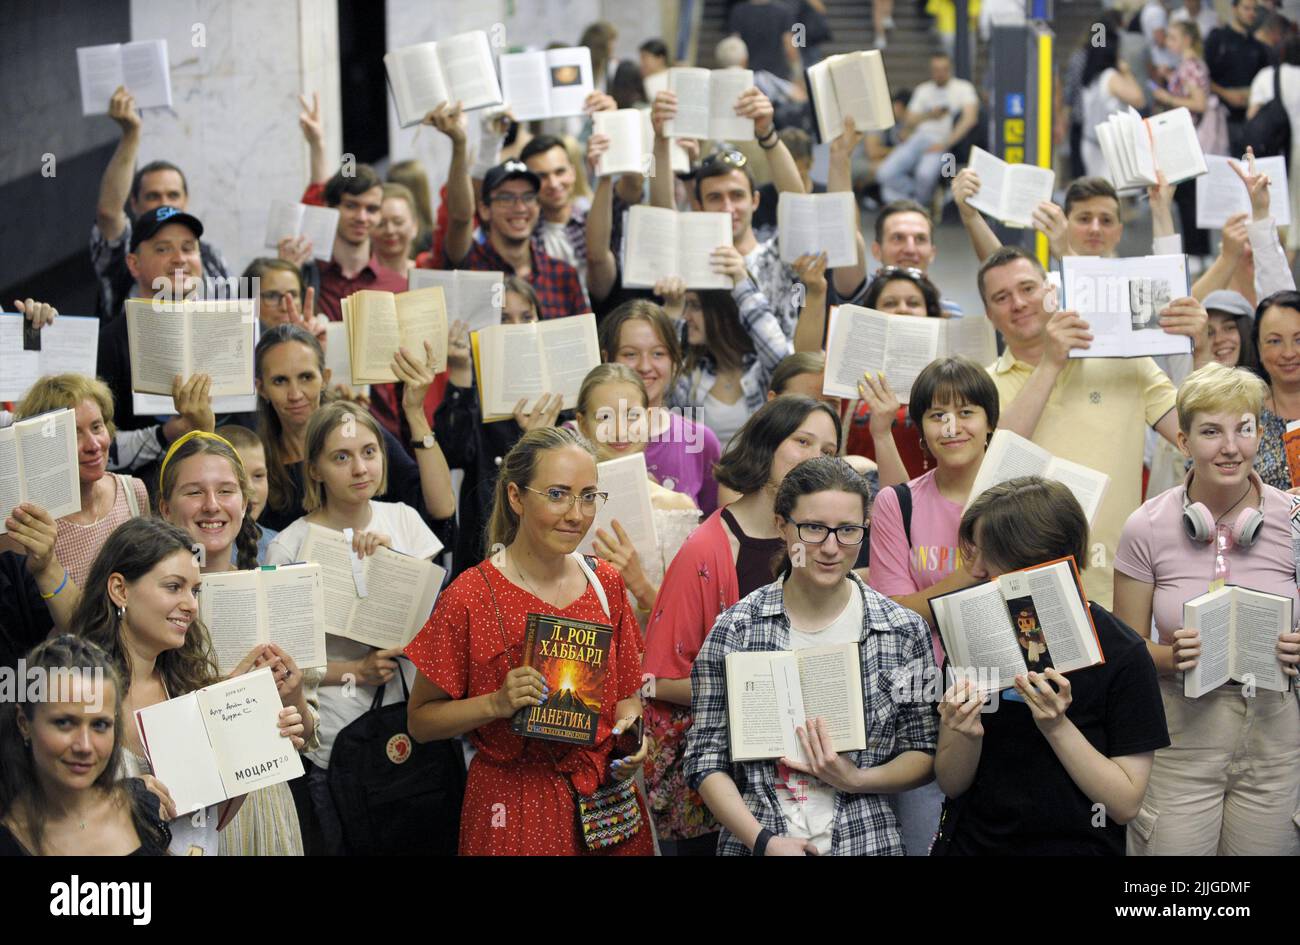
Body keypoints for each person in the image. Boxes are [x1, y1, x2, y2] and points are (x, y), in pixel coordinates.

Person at [404, 426, 654, 855]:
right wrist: (495, 705)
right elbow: (420, 722)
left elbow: (628, 696)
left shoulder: (605, 583)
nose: (576, 513)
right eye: (557, 494)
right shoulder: (471, 595)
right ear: (516, 497)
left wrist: (632, 733)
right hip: (513, 804)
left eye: (589, 495)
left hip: (603, 803)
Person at [683, 456, 937, 856]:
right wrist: (763, 841)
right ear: (782, 526)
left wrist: (856, 778)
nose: (831, 548)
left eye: (848, 531)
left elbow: (924, 749)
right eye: (814, 528)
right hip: (758, 838)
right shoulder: (737, 629)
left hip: (865, 841)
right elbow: (704, 758)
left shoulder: (901, 630)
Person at [642, 395, 842, 854]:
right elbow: (657, 678)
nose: (815, 458)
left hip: (810, 775)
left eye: (828, 451)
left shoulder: (824, 543)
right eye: (802, 441)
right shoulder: (707, 549)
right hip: (723, 785)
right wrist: (769, 686)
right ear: (767, 446)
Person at [1113, 363, 1300, 855]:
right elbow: (1127, 651)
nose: (1231, 447)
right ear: (1183, 440)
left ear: (1261, 433)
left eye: (1244, 428)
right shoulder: (1146, 526)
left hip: (1276, 735)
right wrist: (1171, 658)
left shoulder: (1296, 522)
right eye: (1212, 431)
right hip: (1180, 733)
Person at [933, 477, 1169, 855]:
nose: (976, 571)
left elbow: (1125, 803)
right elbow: (951, 782)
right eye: (973, 553)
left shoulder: (1123, 652)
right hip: (975, 844)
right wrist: (964, 733)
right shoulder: (974, 632)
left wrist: (1057, 726)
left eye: (989, 556)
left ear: (1037, 562)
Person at [977, 246, 1207, 608]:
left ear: (1051, 291)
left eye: (1027, 289)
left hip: (1124, 580)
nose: (1018, 303)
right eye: (1002, 298)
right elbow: (998, 461)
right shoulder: (983, 385)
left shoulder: (1126, 360)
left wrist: (1202, 348)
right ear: (989, 314)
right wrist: (1051, 363)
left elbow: (1196, 437)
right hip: (1027, 582)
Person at [264, 401, 443, 855]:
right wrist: (354, 670)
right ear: (316, 470)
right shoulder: (289, 546)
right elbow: (281, 663)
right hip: (332, 735)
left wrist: (390, 567)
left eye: (369, 451)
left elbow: (435, 631)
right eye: (341, 457)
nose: (360, 468)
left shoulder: (404, 521)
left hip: (408, 722)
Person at [74, 517, 303, 855]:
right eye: (173, 587)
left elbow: (212, 821)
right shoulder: (75, 690)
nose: (191, 605)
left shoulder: (187, 686)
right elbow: (46, 816)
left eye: (194, 590)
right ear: (120, 590)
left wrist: (249, 733)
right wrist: (127, 797)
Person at [156, 430, 315, 856]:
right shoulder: (151, 603)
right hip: (189, 814)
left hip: (267, 808)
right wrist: (225, 700)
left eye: (225, 491)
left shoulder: (278, 591)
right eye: (194, 492)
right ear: (166, 508)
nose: (212, 505)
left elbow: (307, 731)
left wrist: (295, 696)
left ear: (244, 504)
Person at [866, 356, 992, 854]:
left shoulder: (1022, 497)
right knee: (925, 841)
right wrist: (971, 573)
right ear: (920, 430)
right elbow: (895, 612)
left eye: (967, 412)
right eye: (938, 416)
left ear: (990, 424)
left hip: (1015, 693)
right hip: (926, 699)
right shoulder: (898, 503)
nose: (953, 427)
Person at [252, 325, 455, 537]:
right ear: (262, 388)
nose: (295, 394)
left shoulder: (358, 434)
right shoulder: (257, 459)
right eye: (280, 381)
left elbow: (442, 508)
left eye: (306, 377)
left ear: (325, 378)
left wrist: (415, 411)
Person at [0, 635, 171, 855]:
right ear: (24, 723)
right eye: (64, 723)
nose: (85, 746)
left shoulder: (140, 809)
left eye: (100, 725)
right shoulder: (10, 843)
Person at [437, 278, 562, 577]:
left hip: (547, 554)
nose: (517, 327)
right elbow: (450, 450)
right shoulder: (475, 392)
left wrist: (538, 440)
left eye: (526, 317)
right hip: (482, 549)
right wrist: (461, 372)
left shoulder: (561, 397)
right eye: (504, 319)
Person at [429, 97, 588, 320]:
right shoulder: (470, 264)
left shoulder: (563, 274)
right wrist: (459, 144)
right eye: (506, 198)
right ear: (484, 209)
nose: (520, 207)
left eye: (528, 197)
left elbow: (583, 348)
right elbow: (460, 217)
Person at [91, 86, 230, 321]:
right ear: (133, 203)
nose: (164, 203)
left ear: (186, 200)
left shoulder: (209, 256)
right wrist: (132, 134)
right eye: (153, 196)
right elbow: (108, 213)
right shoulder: (126, 248)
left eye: (173, 195)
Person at [574, 364, 700, 613]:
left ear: (649, 419)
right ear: (582, 424)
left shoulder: (675, 507)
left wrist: (639, 583)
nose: (620, 430)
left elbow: (686, 619)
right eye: (605, 417)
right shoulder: (561, 503)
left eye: (632, 416)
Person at [6, 375, 149, 588]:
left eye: (97, 427)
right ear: (41, 444)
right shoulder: (30, 523)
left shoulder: (133, 492)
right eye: (74, 433)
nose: (93, 445)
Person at [94, 205, 223, 443]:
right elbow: (96, 441)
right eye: (163, 249)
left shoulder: (229, 331)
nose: (180, 259)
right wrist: (165, 435)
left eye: (188, 248)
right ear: (133, 264)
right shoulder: (108, 344)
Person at [600, 300, 722, 514]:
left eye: (658, 354)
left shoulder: (701, 441)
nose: (645, 366)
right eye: (630, 354)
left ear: (675, 361)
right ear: (607, 359)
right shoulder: (576, 437)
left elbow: (711, 527)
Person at [842, 268, 947, 482]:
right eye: (890, 303)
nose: (902, 309)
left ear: (930, 312)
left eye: (913, 303)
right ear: (873, 314)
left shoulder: (949, 377)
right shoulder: (848, 372)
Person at [669, 272, 794, 449]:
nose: (686, 316)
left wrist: (740, 279)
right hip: (703, 477)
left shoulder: (762, 371)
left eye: (695, 306)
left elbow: (782, 359)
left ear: (724, 313)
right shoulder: (692, 375)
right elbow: (663, 391)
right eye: (685, 306)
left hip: (758, 476)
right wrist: (671, 313)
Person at [521, 124, 637, 298]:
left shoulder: (595, 219)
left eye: (560, 172)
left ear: (573, 173)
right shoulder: (522, 234)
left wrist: (613, 122)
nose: (553, 183)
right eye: (542, 177)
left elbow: (634, 186)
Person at [875, 54, 979, 211]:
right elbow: (909, 120)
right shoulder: (923, 90)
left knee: (924, 176)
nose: (940, 73)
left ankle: (918, 206)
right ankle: (916, 200)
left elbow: (970, 118)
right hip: (918, 139)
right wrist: (930, 114)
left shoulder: (963, 88)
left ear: (950, 69)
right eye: (936, 70)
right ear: (931, 71)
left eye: (944, 69)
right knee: (884, 173)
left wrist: (945, 143)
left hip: (942, 142)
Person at [1154, 19, 1216, 259]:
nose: (1168, 43)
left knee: (1188, 201)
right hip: (1188, 139)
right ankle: (1198, 252)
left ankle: (1197, 253)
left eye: (1172, 38)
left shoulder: (1190, 67)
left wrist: (1167, 98)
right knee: (1190, 200)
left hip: (1187, 140)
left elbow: (1198, 103)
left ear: (1186, 40)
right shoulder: (1191, 65)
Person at [1247, 34, 1300, 258]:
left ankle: (1280, 284)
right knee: (1296, 217)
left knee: (1275, 214)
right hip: (1297, 152)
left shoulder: (1266, 76)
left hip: (1273, 154)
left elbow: (1252, 116)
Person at [1206, 0, 1275, 156]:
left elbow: (1264, 80)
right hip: (1222, 116)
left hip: (1251, 117)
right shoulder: (1217, 38)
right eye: (1246, 8)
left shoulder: (1258, 46)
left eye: (1254, 9)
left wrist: (1251, 95)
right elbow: (1204, 77)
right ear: (1235, 8)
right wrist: (1225, 93)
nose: (1251, 13)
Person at [871, 201, 964, 315]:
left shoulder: (951, 314)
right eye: (898, 238)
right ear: (877, 251)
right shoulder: (856, 305)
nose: (910, 249)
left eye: (920, 239)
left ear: (932, 253)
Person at [1078, 34, 1148, 180]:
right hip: (1107, 147)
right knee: (1109, 192)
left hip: (1089, 141)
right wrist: (1127, 72)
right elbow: (1139, 99)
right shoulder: (1110, 76)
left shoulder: (1089, 77)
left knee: (1096, 187)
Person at [215, 424, 279, 560]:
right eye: (239, 477)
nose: (250, 488)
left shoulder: (280, 544)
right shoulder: (201, 549)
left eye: (258, 476)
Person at [727, 0, 800, 81]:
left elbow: (734, 48)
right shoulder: (783, 10)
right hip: (778, 76)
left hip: (751, 76)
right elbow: (789, 47)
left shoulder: (739, 11)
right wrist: (797, 73)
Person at [373, 182, 421, 278]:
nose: (390, 231)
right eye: (380, 224)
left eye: (398, 222)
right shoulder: (359, 277)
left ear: (415, 226)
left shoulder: (424, 274)